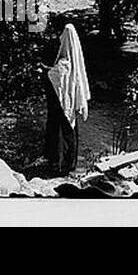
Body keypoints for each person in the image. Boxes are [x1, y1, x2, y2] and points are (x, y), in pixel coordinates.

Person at [43, 22, 90, 175]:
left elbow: (55, 77)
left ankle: (58, 166)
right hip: (68, 104)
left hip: (61, 105)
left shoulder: (64, 63)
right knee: (70, 133)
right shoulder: (72, 61)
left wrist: (44, 70)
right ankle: (70, 165)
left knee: (60, 134)